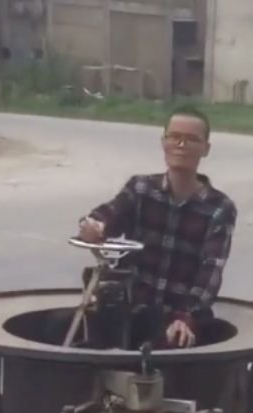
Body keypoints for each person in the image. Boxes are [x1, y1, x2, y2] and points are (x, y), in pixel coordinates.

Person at [76, 105, 237, 349]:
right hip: (133, 308)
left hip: (179, 315)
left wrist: (186, 317)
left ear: (206, 149)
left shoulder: (220, 208)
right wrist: (94, 226)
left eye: (192, 139)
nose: (181, 145)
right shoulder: (140, 188)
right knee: (71, 333)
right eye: (175, 137)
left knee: (173, 348)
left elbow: (210, 273)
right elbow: (107, 214)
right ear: (164, 142)